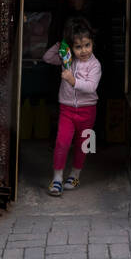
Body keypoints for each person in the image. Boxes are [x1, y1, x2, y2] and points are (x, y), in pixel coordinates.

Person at [40, 16, 101, 196]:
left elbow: (91, 87)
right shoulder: (67, 59)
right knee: (62, 142)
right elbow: (47, 57)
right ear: (72, 47)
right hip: (67, 109)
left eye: (87, 45)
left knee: (83, 145)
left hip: (88, 110)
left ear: (92, 44)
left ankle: (75, 174)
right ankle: (57, 178)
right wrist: (61, 45)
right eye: (78, 47)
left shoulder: (95, 65)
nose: (83, 51)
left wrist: (72, 81)